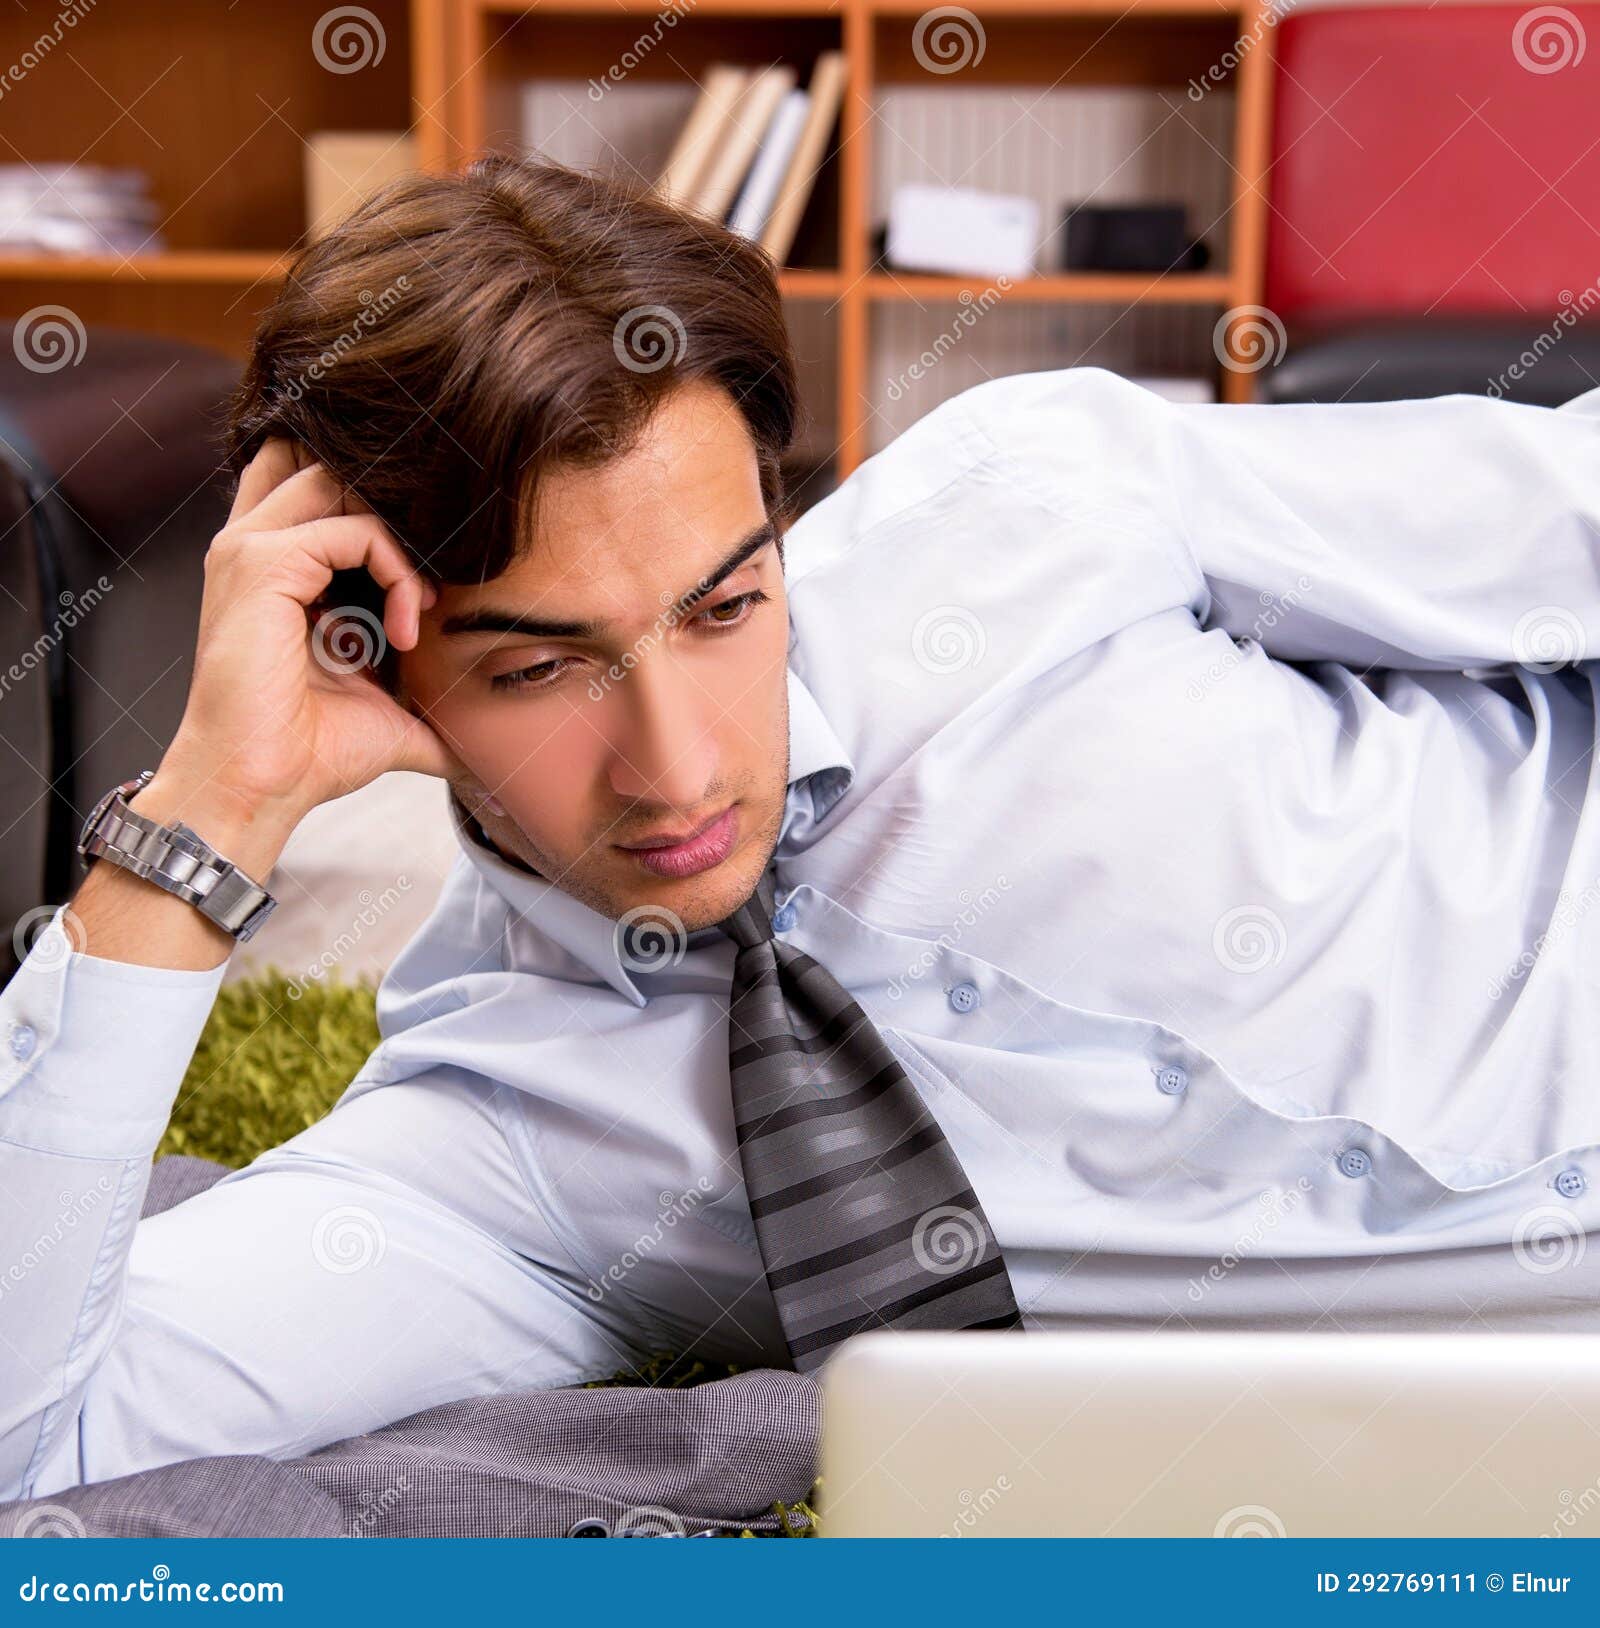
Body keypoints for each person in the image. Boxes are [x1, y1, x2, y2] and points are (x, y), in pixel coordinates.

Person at [4, 153, 1600, 1503]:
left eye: (725, 607)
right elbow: (37, 1442)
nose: (680, 769)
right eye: (540, 666)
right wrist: (210, 812)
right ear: (366, 639)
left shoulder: (1036, 508)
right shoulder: (504, 1138)